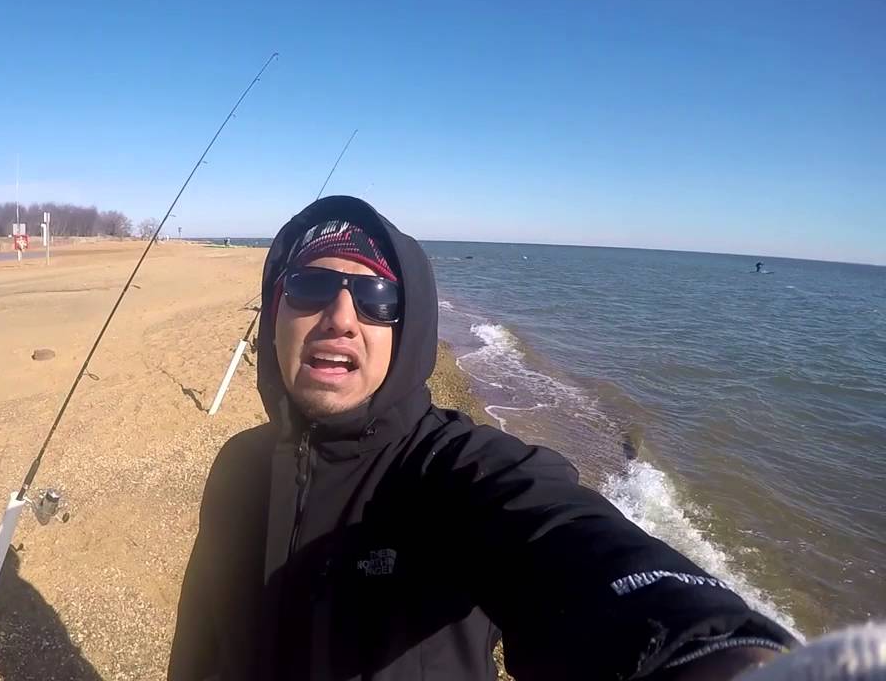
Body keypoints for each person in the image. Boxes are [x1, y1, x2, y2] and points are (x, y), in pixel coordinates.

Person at [169, 196, 796, 681]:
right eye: (309, 287)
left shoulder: (453, 469)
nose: (339, 318)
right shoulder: (237, 468)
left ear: (407, 330)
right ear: (271, 315)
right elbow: (199, 640)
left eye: (375, 297)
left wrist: (710, 646)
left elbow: (559, 535)